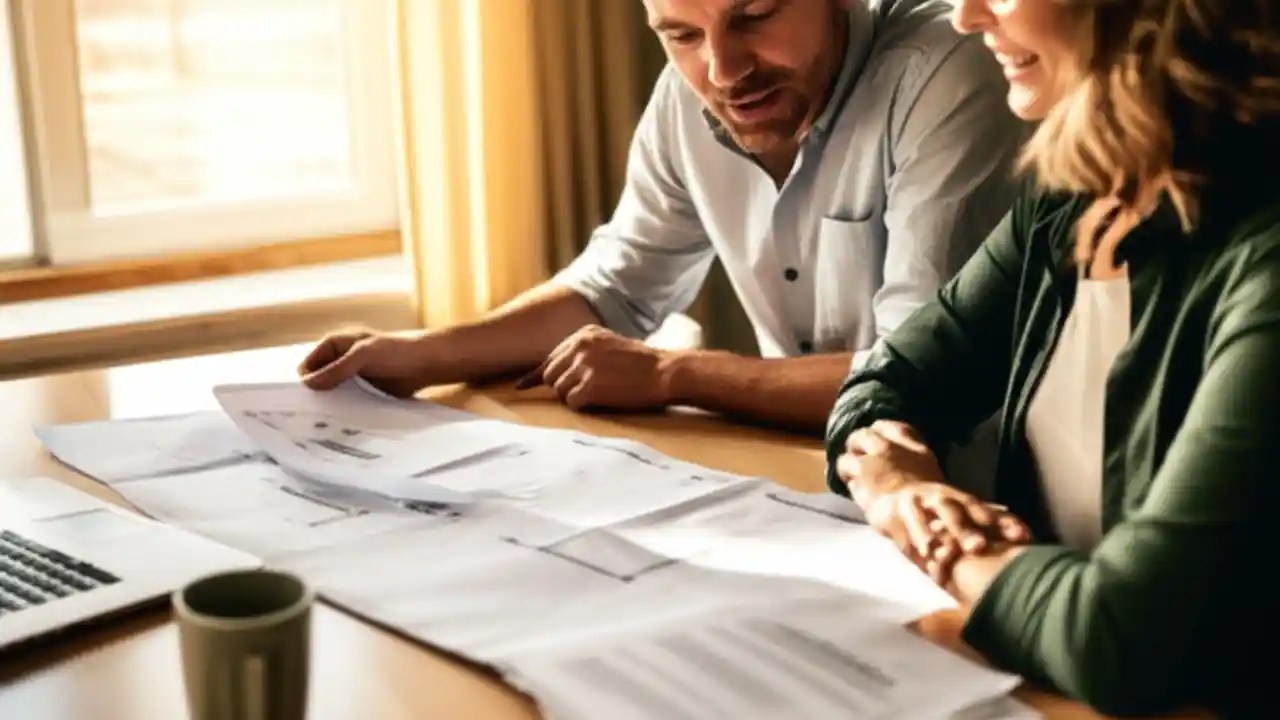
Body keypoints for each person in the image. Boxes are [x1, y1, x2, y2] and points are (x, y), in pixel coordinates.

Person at [826, 0, 1280, 714]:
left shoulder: (1263, 254)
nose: (967, 16)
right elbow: (887, 381)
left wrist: (926, 531)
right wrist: (899, 486)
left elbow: (1123, 640)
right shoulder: (1069, 196)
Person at [298, 0, 1024, 433]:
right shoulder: (690, 97)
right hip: (818, 482)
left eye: (756, 15)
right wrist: (419, 354)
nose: (725, 70)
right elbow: (615, 290)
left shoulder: (949, 70)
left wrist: (678, 374)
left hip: (975, 496)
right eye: (680, 33)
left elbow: (917, 373)